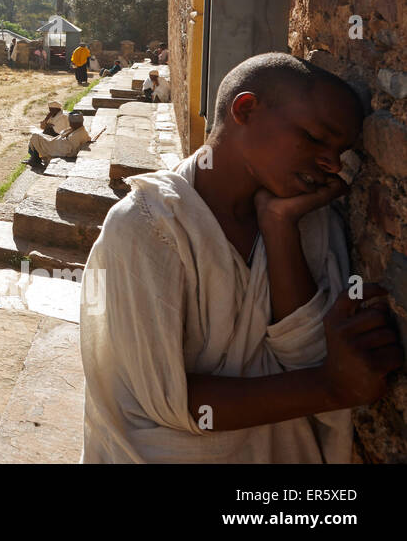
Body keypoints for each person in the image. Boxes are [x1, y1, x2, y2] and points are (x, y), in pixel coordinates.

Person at [80, 53, 403, 463]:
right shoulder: (148, 225)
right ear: (245, 109)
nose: (332, 164)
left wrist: (279, 226)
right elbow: (170, 403)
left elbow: (309, 355)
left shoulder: (311, 222)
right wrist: (330, 388)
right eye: (317, 138)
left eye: (341, 151)